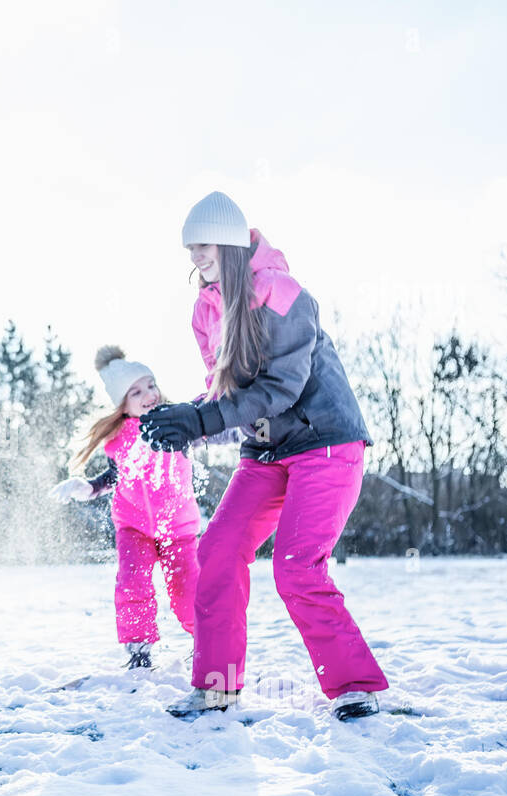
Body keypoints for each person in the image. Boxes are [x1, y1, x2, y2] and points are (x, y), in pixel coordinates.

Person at [140, 191, 389, 722]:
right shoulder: (207, 310)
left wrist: (206, 418)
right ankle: (216, 686)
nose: (195, 258)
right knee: (218, 551)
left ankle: (355, 687)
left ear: (228, 244)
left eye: (203, 245)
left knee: (296, 567)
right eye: (189, 249)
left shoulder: (283, 293)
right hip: (267, 452)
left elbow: (281, 386)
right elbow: (228, 395)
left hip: (324, 441)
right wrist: (188, 422)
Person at [50, 346, 202, 669]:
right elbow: (115, 476)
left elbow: (205, 423)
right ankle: (139, 652)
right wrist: (88, 487)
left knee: (188, 590)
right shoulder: (118, 438)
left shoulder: (176, 421)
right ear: (123, 403)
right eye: (136, 391)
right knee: (132, 582)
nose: (149, 394)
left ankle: (206, 642)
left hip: (178, 527)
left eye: (151, 385)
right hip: (133, 525)